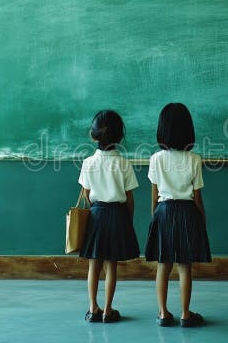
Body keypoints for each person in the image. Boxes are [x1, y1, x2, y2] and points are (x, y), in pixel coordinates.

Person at [145, 103, 212, 327]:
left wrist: (154, 217)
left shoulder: (156, 158)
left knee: (163, 265)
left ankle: (163, 313)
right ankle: (185, 314)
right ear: (188, 130)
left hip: (163, 211)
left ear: (162, 129)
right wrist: (202, 221)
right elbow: (198, 197)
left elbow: (154, 195)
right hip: (187, 211)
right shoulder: (194, 159)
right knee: (185, 266)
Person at [78, 110, 140, 323]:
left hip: (96, 215)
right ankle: (107, 310)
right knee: (111, 265)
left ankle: (92, 308)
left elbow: (86, 194)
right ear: (120, 137)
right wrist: (127, 221)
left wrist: (96, 207)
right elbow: (130, 199)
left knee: (93, 264)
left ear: (93, 135)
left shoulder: (88, 163)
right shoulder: (123, 163)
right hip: (117, 215)